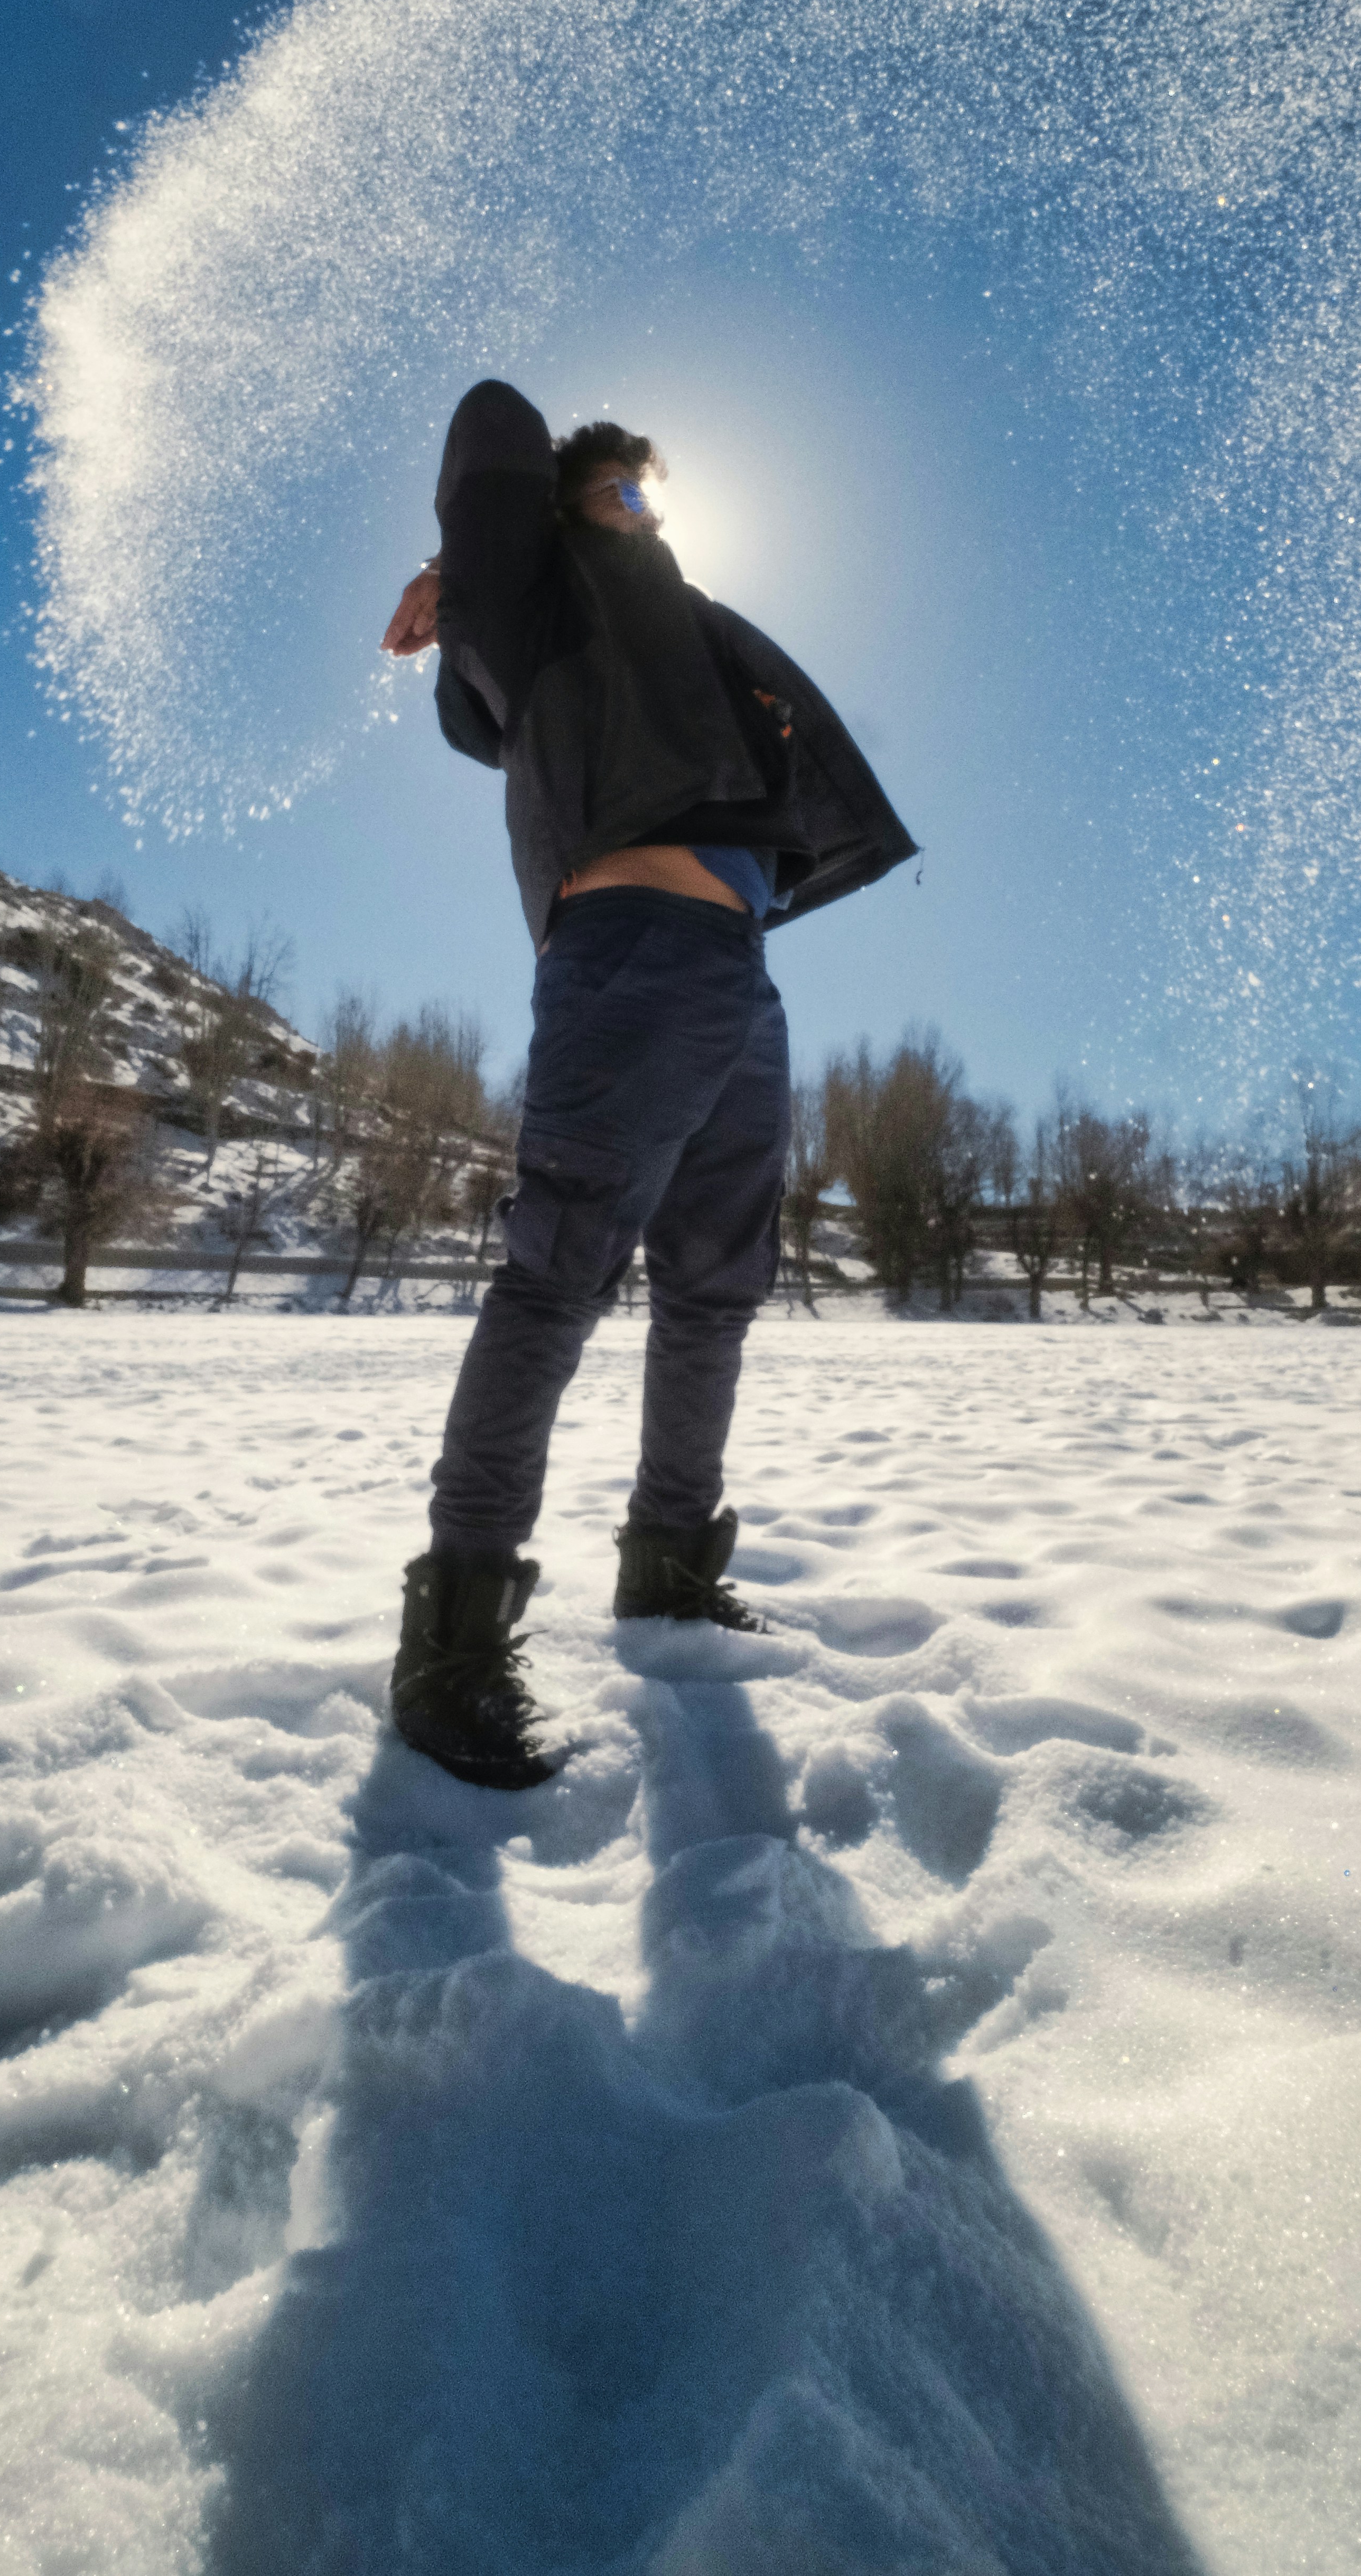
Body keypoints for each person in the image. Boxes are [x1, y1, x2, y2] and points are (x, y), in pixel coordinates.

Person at [378, 379, 915, 1785]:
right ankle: (452, 1647)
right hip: (632, 953)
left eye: (648, 493)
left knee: (718, 1289)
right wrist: (472, 559)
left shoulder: (679, 633)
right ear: (558, 515)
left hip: (737, 972)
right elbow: (493, 424)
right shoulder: (547, 605)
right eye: (620, 490)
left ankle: (668, 1568)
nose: (644, 511)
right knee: (558, 1274)